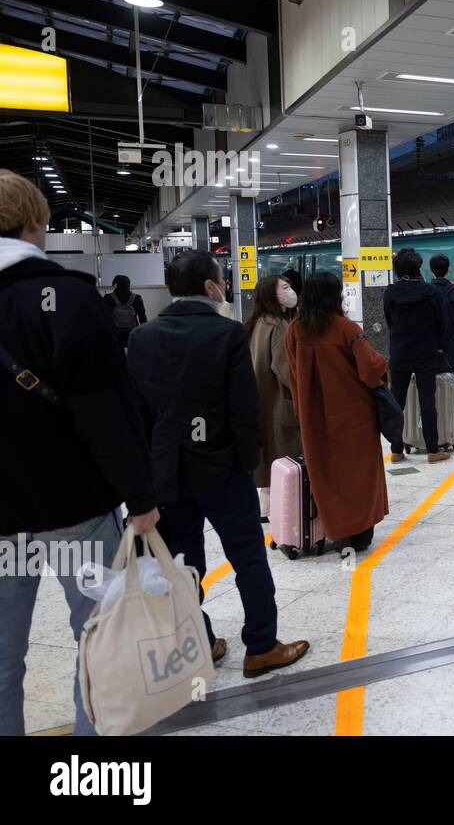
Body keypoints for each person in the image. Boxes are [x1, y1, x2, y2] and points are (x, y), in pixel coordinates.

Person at [0, 169, 158, 736]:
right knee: (99, 644)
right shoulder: (67, 297)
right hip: (76, 507)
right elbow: (106, 410)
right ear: (37, 223)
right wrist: (140, 496)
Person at [129, 250, 309, 678]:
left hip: (168, 472)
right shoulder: (226, 334)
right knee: (248, 556)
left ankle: (201, 642)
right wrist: (245, 463)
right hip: (222, 468)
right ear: (211, 287)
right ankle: (261, 646)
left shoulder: (142, 337)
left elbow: (137, 412)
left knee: (179, 562)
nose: (225, 286)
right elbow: (244, 410)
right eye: (221, 280)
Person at [284, 272, 390, 552]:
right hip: (354, 416)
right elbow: (370, 369)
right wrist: (383, 364)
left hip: (313, 417)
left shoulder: (295, 331)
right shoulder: (347, 329)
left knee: (326, 472)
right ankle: (361, 534)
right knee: (359, 473)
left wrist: (301, 409)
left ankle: (336, 529)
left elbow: (293, 376)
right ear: (336, 295)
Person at [383, 248, 451, 463]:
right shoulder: (432, 293)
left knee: (397, 402)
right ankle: (432, 450)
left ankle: (396, 450)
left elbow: (389, 321)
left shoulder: (391, 292)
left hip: (400, 354)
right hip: (426, 355)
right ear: (418, 268)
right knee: (427, 402)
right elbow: (443, 324)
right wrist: (437, 345)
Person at [245, 274, 303, 519]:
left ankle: (266, 509)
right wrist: (303, 392)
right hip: (280, 403)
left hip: (264, 401)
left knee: (269, 458)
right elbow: (285, 370)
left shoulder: (258, 322)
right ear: (273, 295)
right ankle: (283, 510)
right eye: (286, 288)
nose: (291, 292)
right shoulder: (279, 327)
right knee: (284, 456)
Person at [428, 253, 454, 381]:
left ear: (430, 270)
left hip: (429, 348)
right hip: (453, 348)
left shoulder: (426, 293)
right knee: (453, 387)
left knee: (429, 389)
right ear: (449, 269)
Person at [103, 274, 147, 350]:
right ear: (129, 284)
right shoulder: (137, 298)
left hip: (114, 335)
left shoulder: (108, 298)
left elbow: (104, 318)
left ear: (116, 284)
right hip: (132, 334)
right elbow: (142, 317)